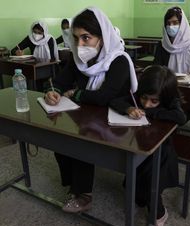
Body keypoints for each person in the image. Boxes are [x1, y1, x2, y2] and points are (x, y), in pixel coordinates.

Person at [44, 7, 138, 213]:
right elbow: (59, 81)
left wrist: (75, 94)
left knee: (82, 142)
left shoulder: (119, 60)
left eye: (86, 38)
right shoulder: (78, 61)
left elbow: (106, 97)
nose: (80, 45)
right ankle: (75, 185)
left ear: (102, 38)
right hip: (86, 117)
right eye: (76, 38)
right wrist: (53, 91)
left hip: (116, 122)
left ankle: (84, 194)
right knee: (60, 140)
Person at [110, 65, 186, 226]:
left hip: (162, 150)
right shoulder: (138, 96)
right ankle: (141, 197)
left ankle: (159, 213)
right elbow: (116, 101)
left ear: (164, 97)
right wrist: (129, 108)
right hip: (140, 145)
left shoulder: (170, 100)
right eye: (144, 98)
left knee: (152, 184)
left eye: (154, 101)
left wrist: (149, 113)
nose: (146, 104)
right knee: (137, 188)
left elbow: (180, 117)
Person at [153, 6, 190, 76]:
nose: (171, 26)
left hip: (187, 84)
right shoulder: (162, 44)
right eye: (168, 23)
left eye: (175, 23)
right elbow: (157, 66)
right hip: (165, 83)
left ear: (182, 25)